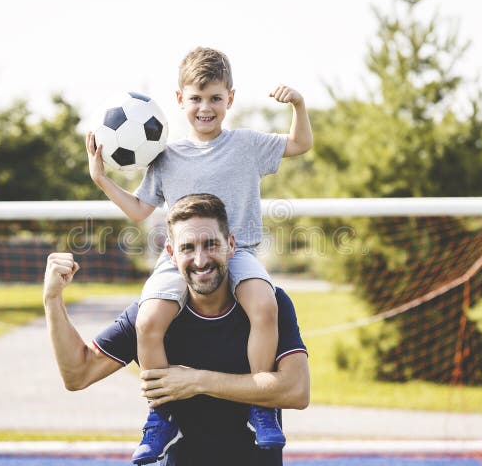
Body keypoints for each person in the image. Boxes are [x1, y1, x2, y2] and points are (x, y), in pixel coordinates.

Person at [85, 46, 313, 462]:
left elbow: (300, 143)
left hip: (236, 252)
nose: (205, 107)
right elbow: (140, 210)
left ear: (230, 98)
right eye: (196, 98)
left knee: (264, 304)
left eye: (215, 98)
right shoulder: (165, 156)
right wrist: (101, 181)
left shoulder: (247, 144)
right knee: (149, 320)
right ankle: (162, 415)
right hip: (180, 259)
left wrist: (298, 103)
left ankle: (261, 407)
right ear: (179, 100)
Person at [44, 194, 310, 465]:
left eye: (211, 245)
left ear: (231, 245)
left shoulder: (270, 304)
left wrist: (197, 381)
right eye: (187, 248)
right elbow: (78, 373)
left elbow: (296, 390)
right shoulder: (150, 317)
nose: (200, 259)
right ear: (171, 254)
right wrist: (52, 299)